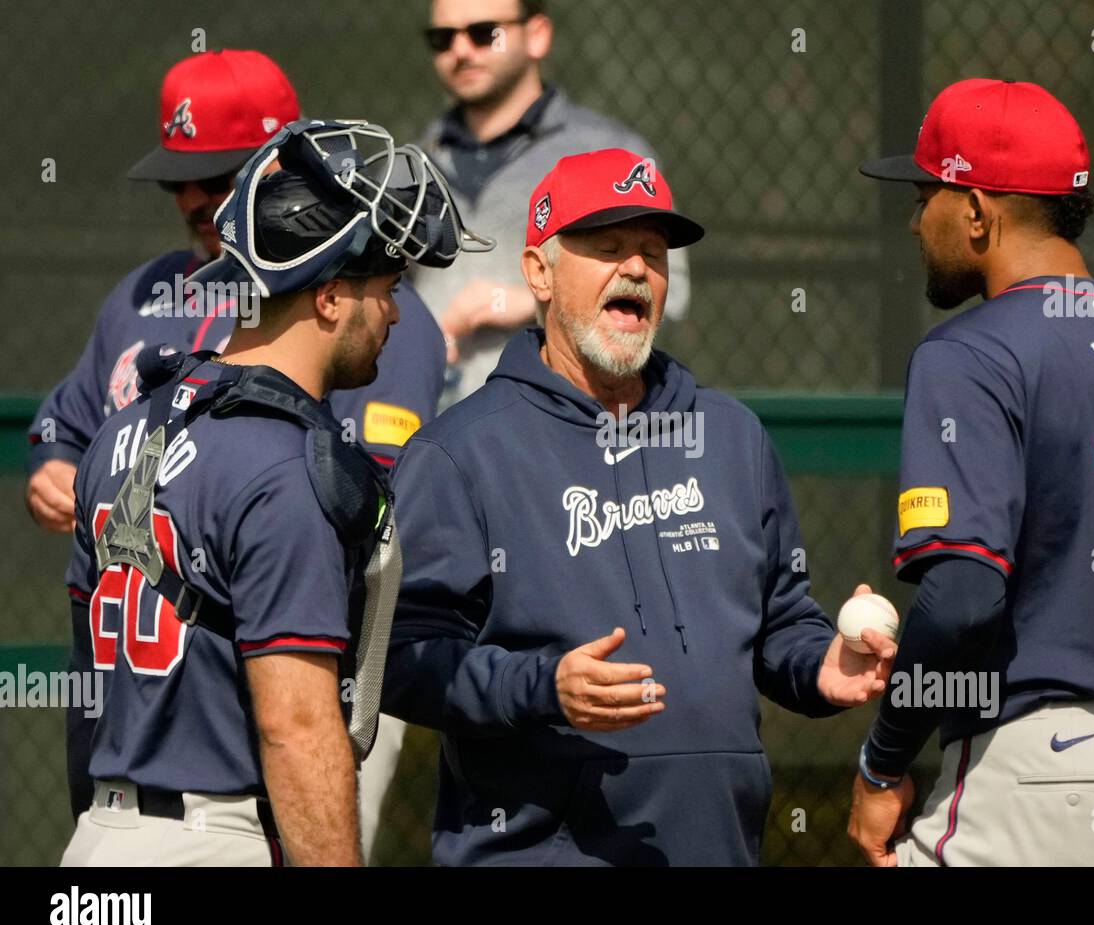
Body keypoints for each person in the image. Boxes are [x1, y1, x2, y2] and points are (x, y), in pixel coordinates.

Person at [383, 147, 895, 866]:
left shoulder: (730, 436)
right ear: (540, 273)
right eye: (608, 247)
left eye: (653, 253)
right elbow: (401, 660)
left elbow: (780, 621)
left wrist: (822, 666)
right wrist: (542, 687)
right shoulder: (461, 453)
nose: (636, 270)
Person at [28, 50, 449, 863]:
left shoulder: (128, 434)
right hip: (222, 814)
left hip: (106, 835)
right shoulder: (280, 460)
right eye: (180, 179)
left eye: (219, 176)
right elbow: (296, 723)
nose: (198, 200)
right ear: (332, 294)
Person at [848, 78, 1094, 866]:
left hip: (1053, 778)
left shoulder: (970, 353)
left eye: (927, 192)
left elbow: (963, 593)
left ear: (976, 212)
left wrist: (882, 760)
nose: (913, 216)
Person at [410, 0, 690, 409]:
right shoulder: (414, 161)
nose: (461, 50)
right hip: (429, 423)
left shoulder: (608, 152)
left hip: (564, 423)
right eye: (443, 38)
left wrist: (533, 298)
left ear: (537, 35)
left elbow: (672, 288)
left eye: (484, 33)